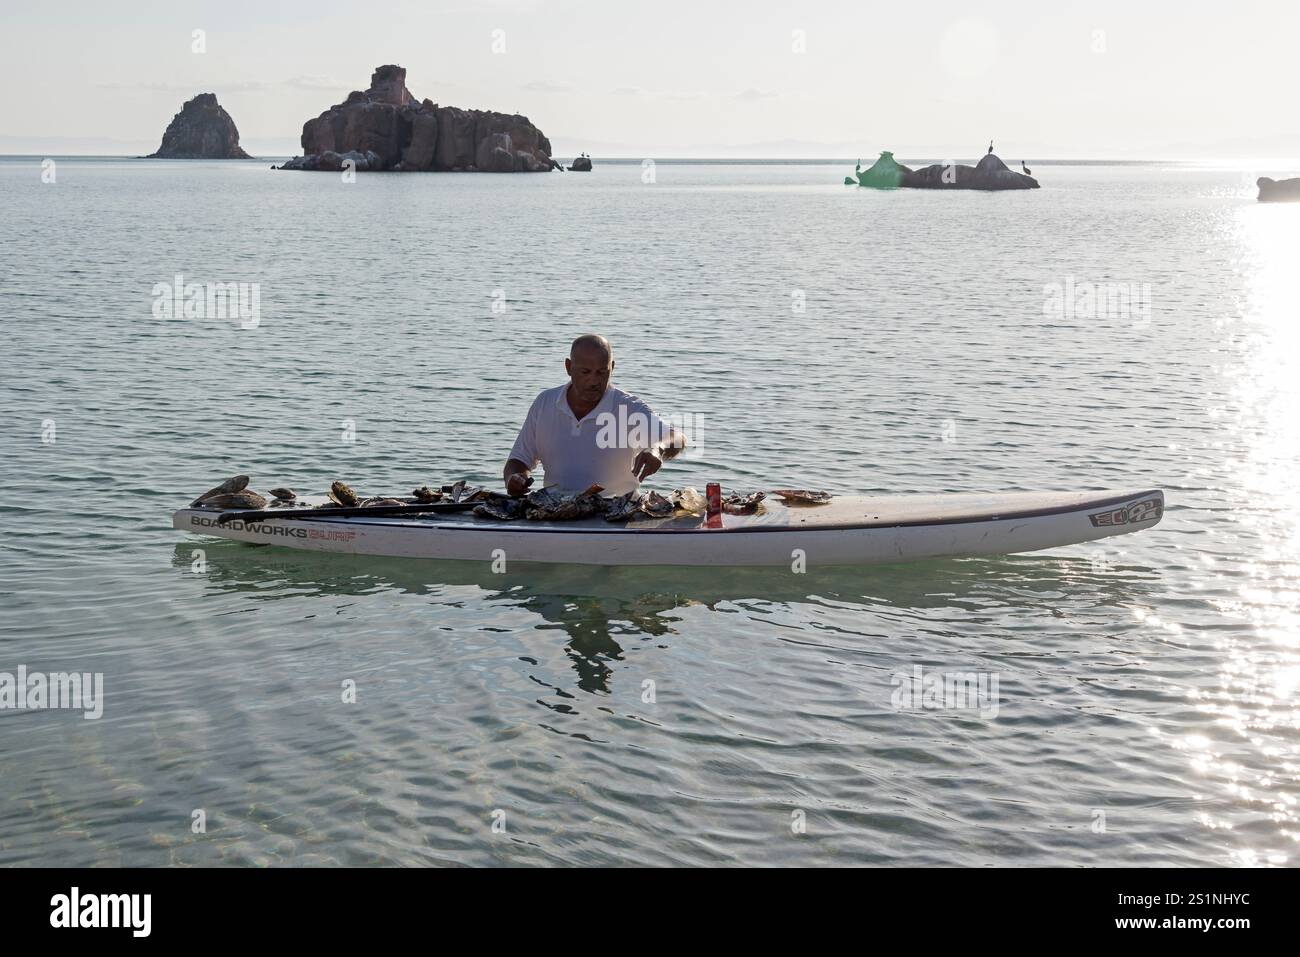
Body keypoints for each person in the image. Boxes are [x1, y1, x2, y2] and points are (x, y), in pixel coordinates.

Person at [503, 334, 686, 497]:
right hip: (556, 515)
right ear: (568, 367)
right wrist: (515, 479)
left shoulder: (628, 407)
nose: (594, 381)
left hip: (615, 517)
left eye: (602, 372)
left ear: (612, 368)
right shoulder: (545, 402)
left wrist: (657, 449)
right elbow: (519, 460)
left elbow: (676, 437)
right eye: (585, 372)